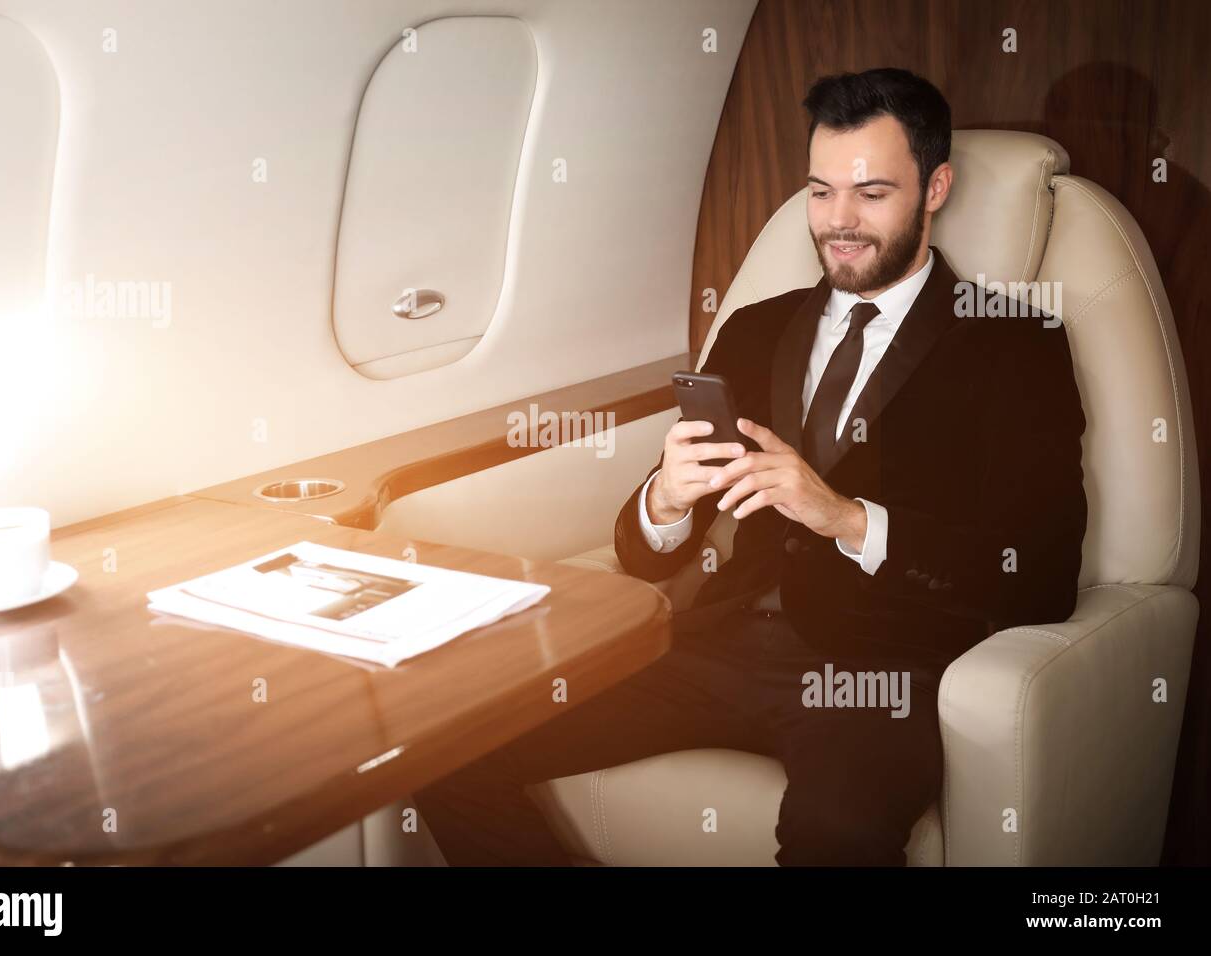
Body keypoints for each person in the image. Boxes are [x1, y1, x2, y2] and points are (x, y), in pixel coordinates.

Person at [413, 67, 1087, 866]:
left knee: (835, 835)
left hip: (875, 675)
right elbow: (643, 551)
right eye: (820, 191)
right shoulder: (753, 331)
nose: (840, 222)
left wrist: (844, 517)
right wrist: (664, 500)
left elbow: (1040, 576)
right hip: (715, 642)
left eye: (872, 193)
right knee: (446, 746)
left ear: (935, 187)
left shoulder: (1017, 346)